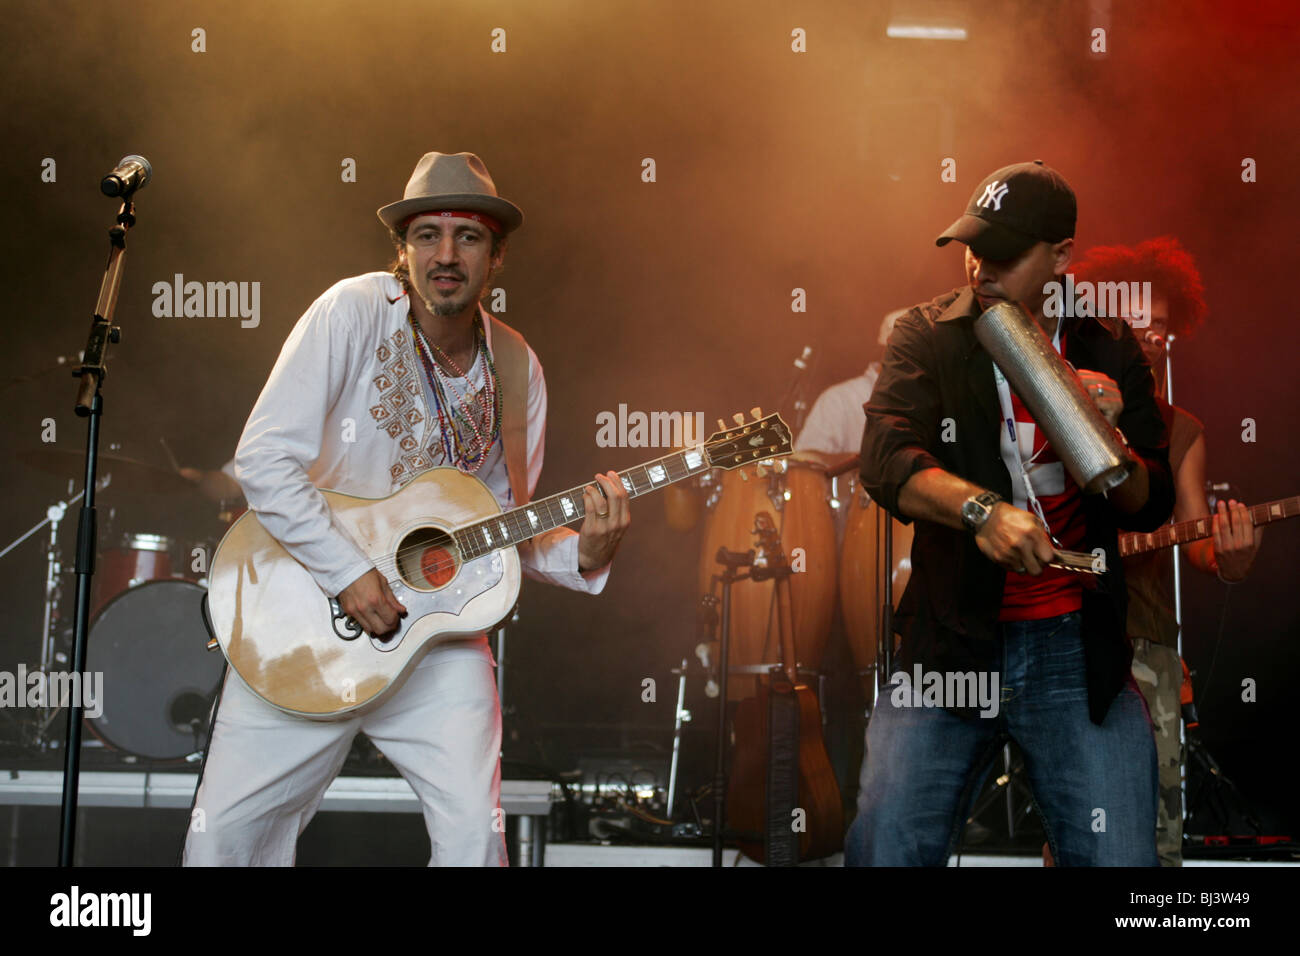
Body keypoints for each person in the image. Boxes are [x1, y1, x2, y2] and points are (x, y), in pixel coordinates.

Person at [183, 151, 631, 866]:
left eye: (469, 236)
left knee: (473, 844)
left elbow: (498, 530)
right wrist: (346, 573)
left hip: (437, 642)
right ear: (403, 248)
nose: (445, 254)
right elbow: (265, 460)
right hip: (302, 618)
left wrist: (586, 553)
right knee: (226, 844)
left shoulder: (517, 367)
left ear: (498, 256)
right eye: (427, 234)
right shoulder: (352, 311)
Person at [845, 160, 1175, 866]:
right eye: (973, 246)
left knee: (1123, 864)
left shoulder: (1106, 346)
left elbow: (1152, 499)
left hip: (1073, 651)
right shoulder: (929, 334)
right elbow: (884, 458)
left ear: (1060, 257)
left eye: (1004, 254)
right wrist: (980, 510)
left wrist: (1109, 438)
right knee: (887, 846)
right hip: (953, 641)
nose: (979, 265)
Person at [1073, 238, 1262, 866]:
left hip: (1147, 647)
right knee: (1077, 830)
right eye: (1136, 323)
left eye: (1160, 327)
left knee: (1154, 843)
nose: (1150, 337)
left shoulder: (1184, 429)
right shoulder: (1059, 410)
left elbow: (1199, 537)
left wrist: (1230, 558)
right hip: (1067, 638)